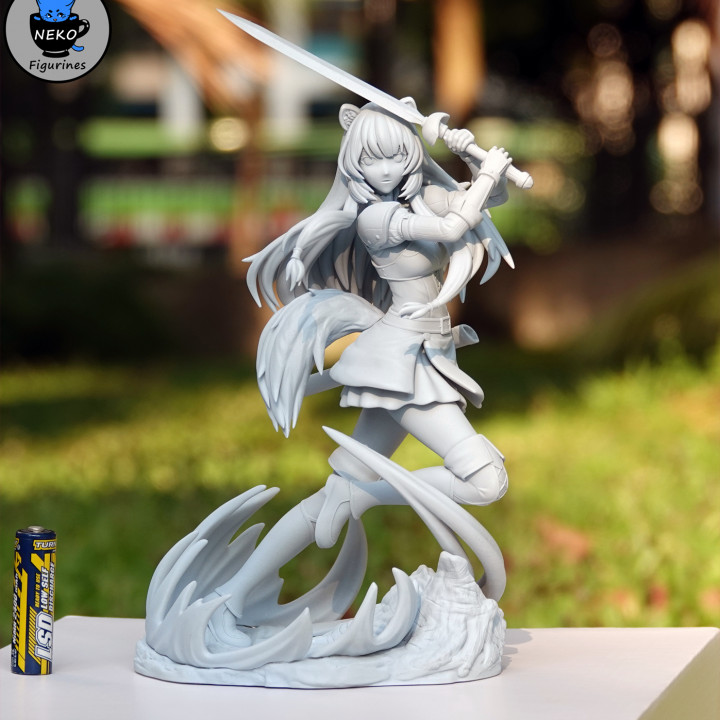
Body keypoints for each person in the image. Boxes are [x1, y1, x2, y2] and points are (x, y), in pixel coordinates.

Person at [209, 100, 514, 639]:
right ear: (352, 163)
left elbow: (490, 201)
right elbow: (453, 226)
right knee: (486, 481)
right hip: (404, 366)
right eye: (373, 159)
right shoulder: (376, 218)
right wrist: (486, 172)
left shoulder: (418, 197)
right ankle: (364, 497)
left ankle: (231, 598)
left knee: (335, 492)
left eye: (398, 156)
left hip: (422, 357)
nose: (387, 170)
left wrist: (472, 157)